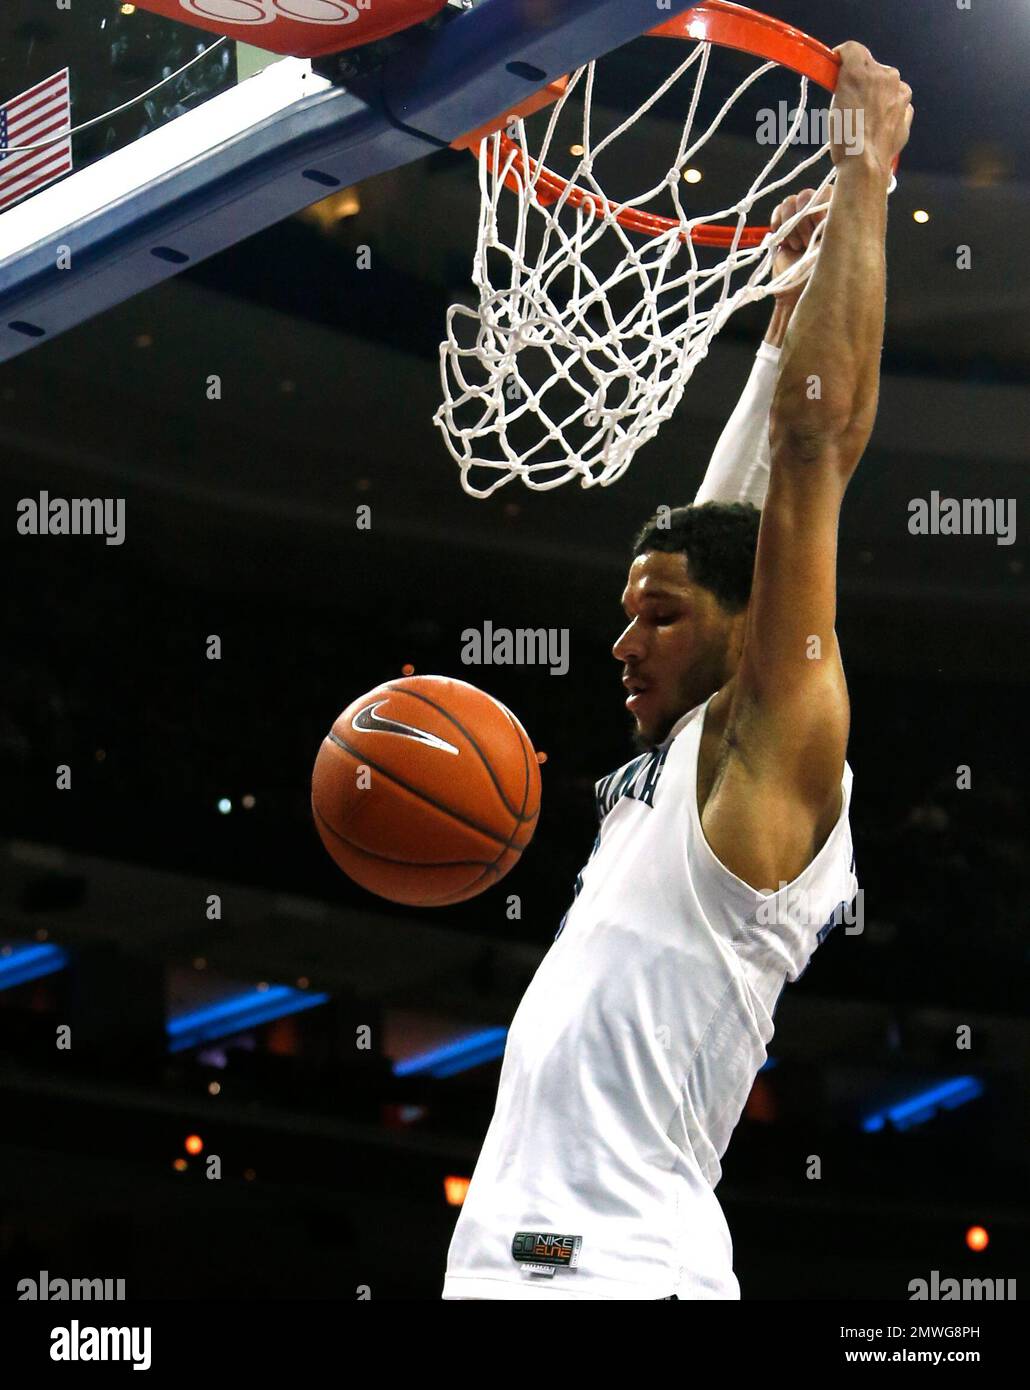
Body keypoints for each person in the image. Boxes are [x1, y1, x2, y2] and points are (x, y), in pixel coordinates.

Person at [442, 43, 913, 1300]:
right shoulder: (679, 760)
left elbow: (811, 456)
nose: (622, 641)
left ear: (741, 626)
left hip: (619, 1276)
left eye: (653, 615)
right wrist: (773, 335)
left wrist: (861, 174)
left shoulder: (772, 738)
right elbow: (734, 509)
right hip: (527, 1264)